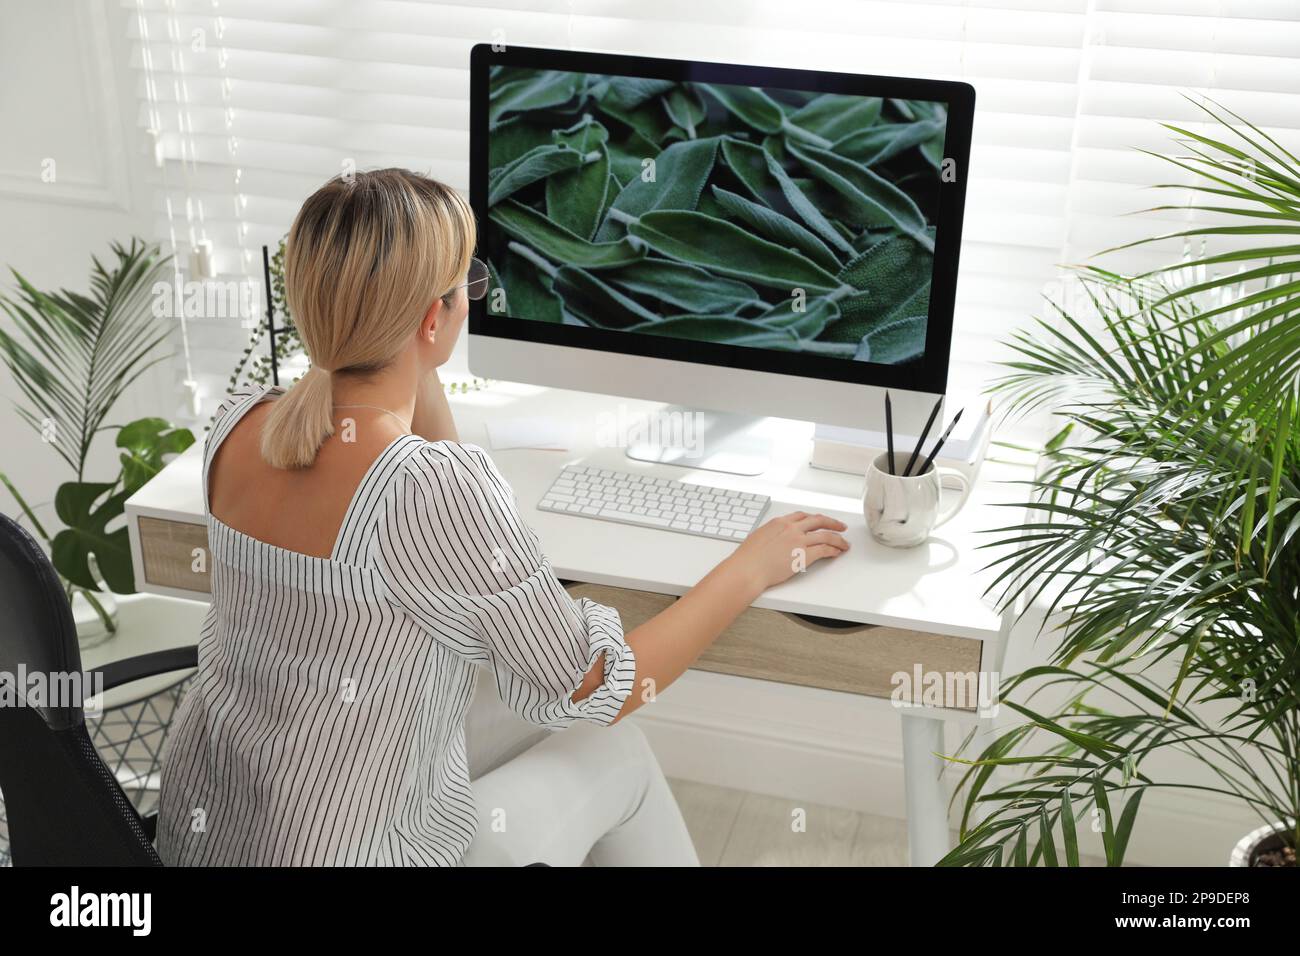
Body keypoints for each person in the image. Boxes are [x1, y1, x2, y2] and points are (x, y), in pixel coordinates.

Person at [156, 168, 849, 867]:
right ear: (435, 318)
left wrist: (407, 346)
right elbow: (594, 686)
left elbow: (427, 498)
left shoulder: (240, 424)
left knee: (493, 692)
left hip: (214, 835)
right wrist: (746, 568)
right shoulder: (427, 490)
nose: (474, 298)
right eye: (468, 285)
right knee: (613, 745)